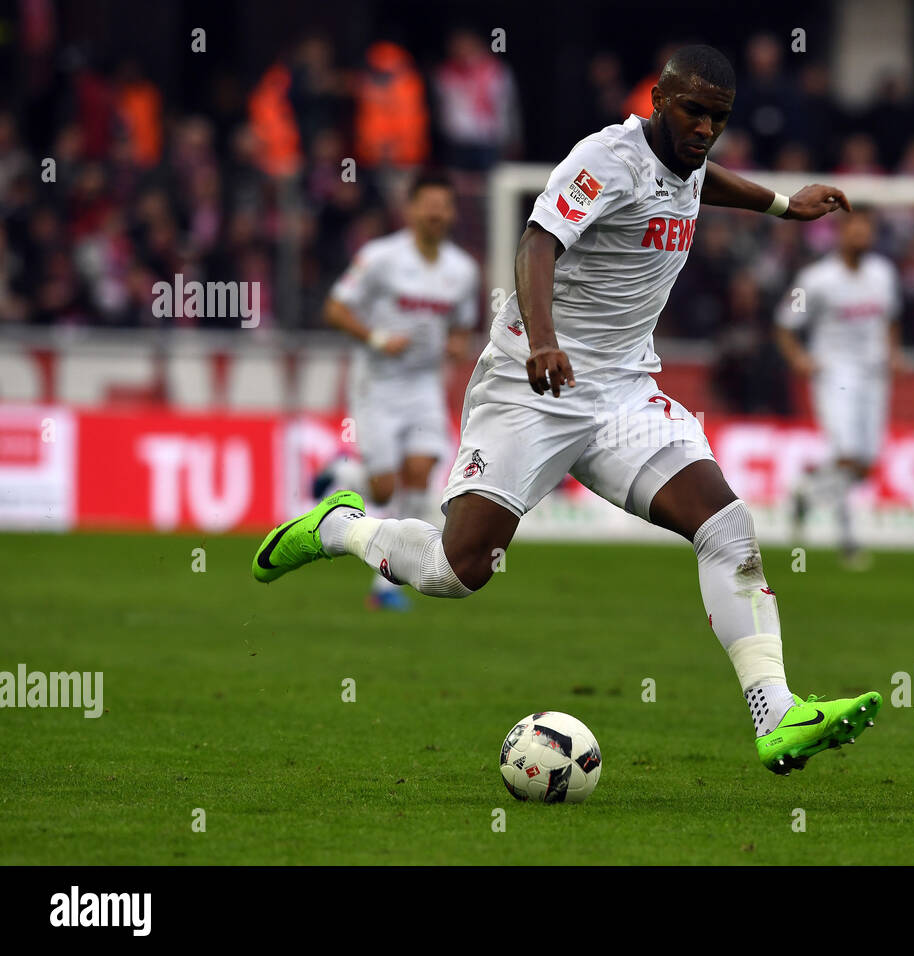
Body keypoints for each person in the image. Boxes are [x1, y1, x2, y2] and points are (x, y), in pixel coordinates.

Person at [253, 45, 881, 774]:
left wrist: (780, 205)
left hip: (623, 393)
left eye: (719, 117)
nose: (706, 129)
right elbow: (538, 242)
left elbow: (699, 184)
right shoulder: (604, 159)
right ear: (658, 100)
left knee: (726, 527)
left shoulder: (688, 157)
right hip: (535, 385)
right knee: (460, 570)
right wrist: (542, 343)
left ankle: (775, 713)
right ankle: (339, 528)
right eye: (693, 112)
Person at [319, 171, 478, 608]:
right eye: (426, 203)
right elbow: (334, 308)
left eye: (442, 205)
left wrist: (457, 344)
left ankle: (386, 587)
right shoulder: (380, 258)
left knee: (421, 473)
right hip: (378, 383)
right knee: (384, 487)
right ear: (409, 210)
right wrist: (375, 338)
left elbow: (462, 325)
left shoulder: (462, 270)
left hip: (424, 385)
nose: (434, 212)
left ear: (450, 212)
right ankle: (344, 477)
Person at [776, 207, 902, 566]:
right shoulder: (817, 279)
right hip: (835, 375)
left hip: (875, 375)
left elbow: (891, 319)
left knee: (865, 464)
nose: (862, 235)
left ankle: (807, 493)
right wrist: (799, 357)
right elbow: (784, 324)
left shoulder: (883, 274)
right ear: (841, 233)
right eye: (855, 229)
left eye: (867, 229)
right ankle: (848, 541)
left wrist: (894, 353)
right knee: (846, 456)